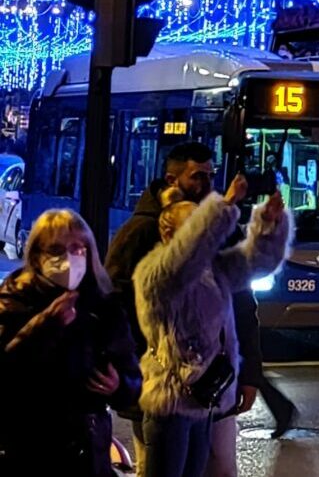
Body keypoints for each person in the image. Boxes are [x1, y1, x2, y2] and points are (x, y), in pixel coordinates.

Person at [106, 142, 278, 477]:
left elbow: (242, 301)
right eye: (197, 176)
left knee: (219, 467)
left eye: (210, 175)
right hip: (164, 386)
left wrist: (248, 371)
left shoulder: (214, 229)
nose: (206, 185)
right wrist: (131, 372)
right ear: (172, 180)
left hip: (212, 382)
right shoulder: (144, 234)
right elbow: (117, 306)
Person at [135, 176, 292, 477]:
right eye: (194, 226)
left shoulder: (213, 268)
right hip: (170, 400)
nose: (204, 233)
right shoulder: (154, 274)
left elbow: (255, 263)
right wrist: (225, 205)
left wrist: (269, 225)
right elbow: (184, 258)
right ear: (169, 234)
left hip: (206, 395)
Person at [0, 209, 142, 476]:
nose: (68, 259)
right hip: (27, 453)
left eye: (78, 248)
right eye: (55, 250)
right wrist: (45, 326)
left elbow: (132, 378)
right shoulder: (15, 299)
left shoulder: (103, 305)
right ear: (37, 255)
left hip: (87, 456)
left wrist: (119, 385)